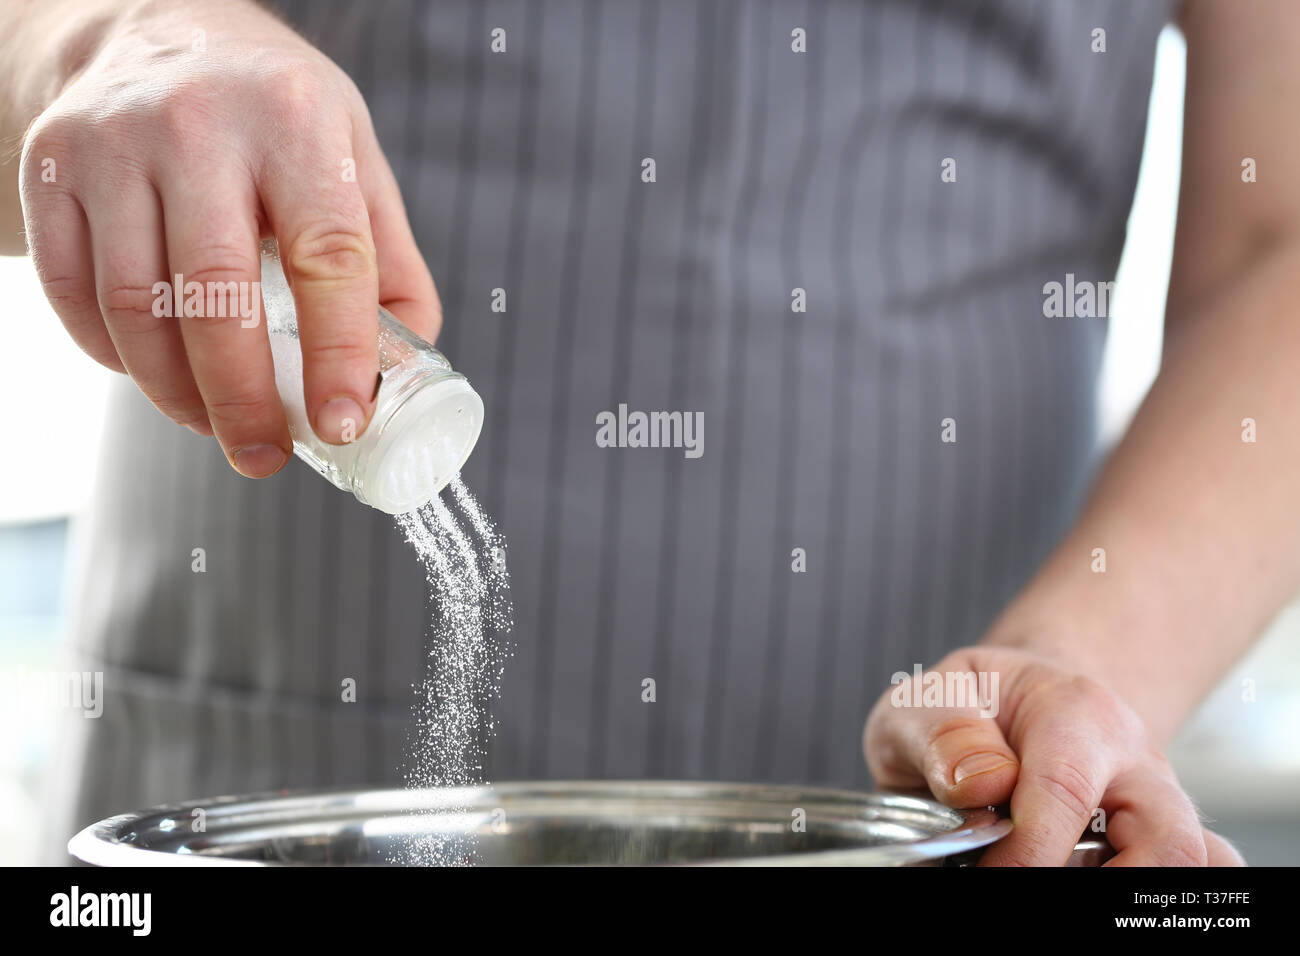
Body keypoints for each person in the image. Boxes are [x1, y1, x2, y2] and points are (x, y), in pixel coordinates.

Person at [3, 0, 1281, 866]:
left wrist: (1064, 672)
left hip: (932, 796)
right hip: (278, 754)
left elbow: (1275, 239)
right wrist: (105, 38)